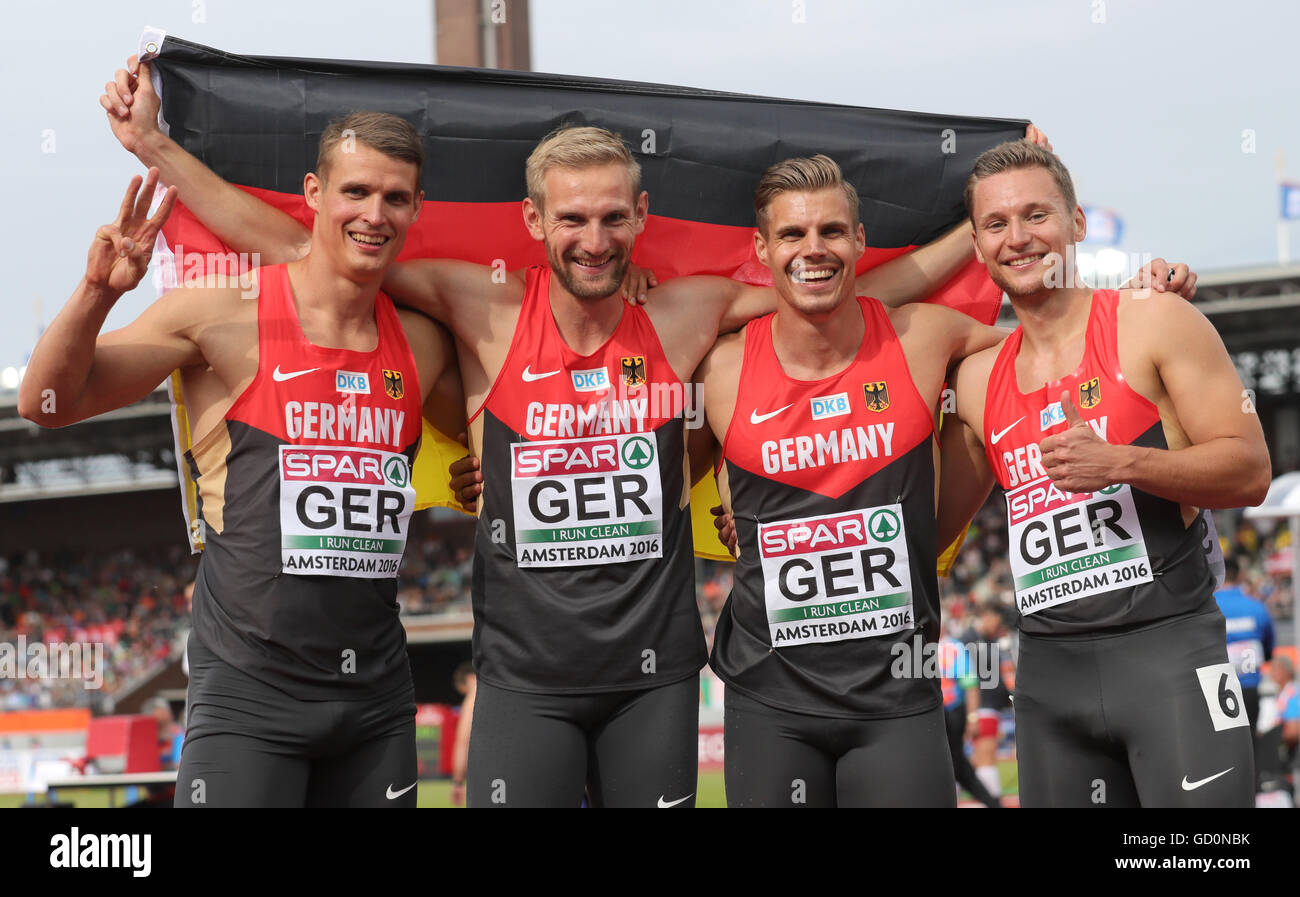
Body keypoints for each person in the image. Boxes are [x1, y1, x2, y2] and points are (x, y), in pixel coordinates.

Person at [101, 59, 1005, 807]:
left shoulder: (687, 314)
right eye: (572, 218)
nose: (594, 237)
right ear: (536, 224)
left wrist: (979, 225)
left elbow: (844, 297)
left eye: (614, 217)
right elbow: (307, 254)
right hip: (522, 685)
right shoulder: (484, 309)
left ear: (642, 221)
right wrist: (155, 147)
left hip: (653, 679)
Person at [20, 113, 456, 807]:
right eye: (356, 192)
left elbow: (521, 422)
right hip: (251, 697)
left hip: (376, 701)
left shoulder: (423, 345)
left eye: (395, 198)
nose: (374, 214)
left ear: (415, 209)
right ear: (315, 192)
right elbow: (46, 402)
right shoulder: (222, 316)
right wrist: (97, 294)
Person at [937, 139, 1272, 807]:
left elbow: (1250, 469)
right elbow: (928, 529)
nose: (1019, 237)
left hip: (1170, 658)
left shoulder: (1153, 321)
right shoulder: (976, 380)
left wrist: (1120, 462)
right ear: (977, 246)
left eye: (1037, 215)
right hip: (1048, 680)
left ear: (1077, 224)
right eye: (997, 224)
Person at [1214, 555, 1275, 735]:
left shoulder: (1210, 608)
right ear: (1240, 576)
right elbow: (1269, 648)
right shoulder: (1257, 608)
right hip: (1250, 685)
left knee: (1226, 748)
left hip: (1219, 688)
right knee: (1251, 745)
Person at [938, 635, 1001, 808]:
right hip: (934, 715)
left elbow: (970, 682)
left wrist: (972, 718)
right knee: (955, 766)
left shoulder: (952, 647)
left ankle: (992, 803)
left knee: (956, 765)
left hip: (950, 712)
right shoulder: (921, 643)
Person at [963, 601, 1015, 803]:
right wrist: (971, 715)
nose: (998, 627)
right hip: (980, 709)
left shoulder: (985, 641)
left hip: (987, 709)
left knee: (983, 758)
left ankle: (990, 800)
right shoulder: (969, 640)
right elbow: (969, 681)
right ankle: (992, 801)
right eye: (997, 621)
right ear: (988, 616)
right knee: (985, 759)